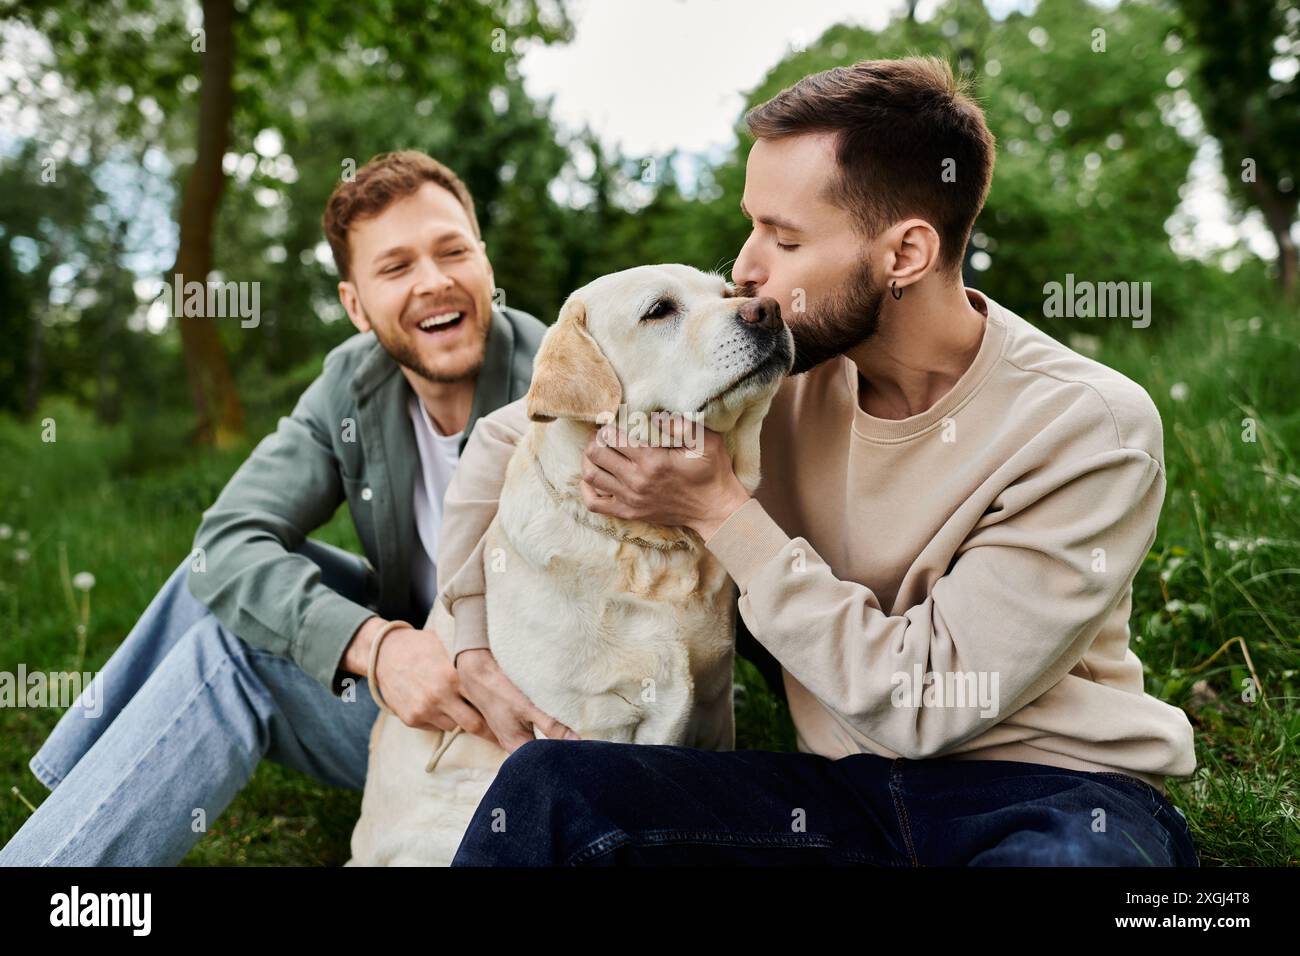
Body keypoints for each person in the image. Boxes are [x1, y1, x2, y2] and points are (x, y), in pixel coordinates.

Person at [442, 58, 1201, 866]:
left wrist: (716, 510)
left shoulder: (1089, 427)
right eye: (752, 224)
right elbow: (513, 434)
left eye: (786, 238)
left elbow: (927, 704)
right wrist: (467, 645)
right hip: (836, 800)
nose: (746, 269)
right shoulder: (768, 378)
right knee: (554, 786)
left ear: (905, 253)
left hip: (1051, 796)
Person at [0, 150, 562, 866]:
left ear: (485, 264)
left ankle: (73, 824)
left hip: (528, 736)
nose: (433, 281)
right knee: (230, 589)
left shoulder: (560, 381)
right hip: (419, 689)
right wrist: (378, 647)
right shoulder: (351, 386)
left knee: (227, 639)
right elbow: (227, 542)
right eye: (395, 268)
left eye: (453, 251)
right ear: (356, 306)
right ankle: (77, 824)